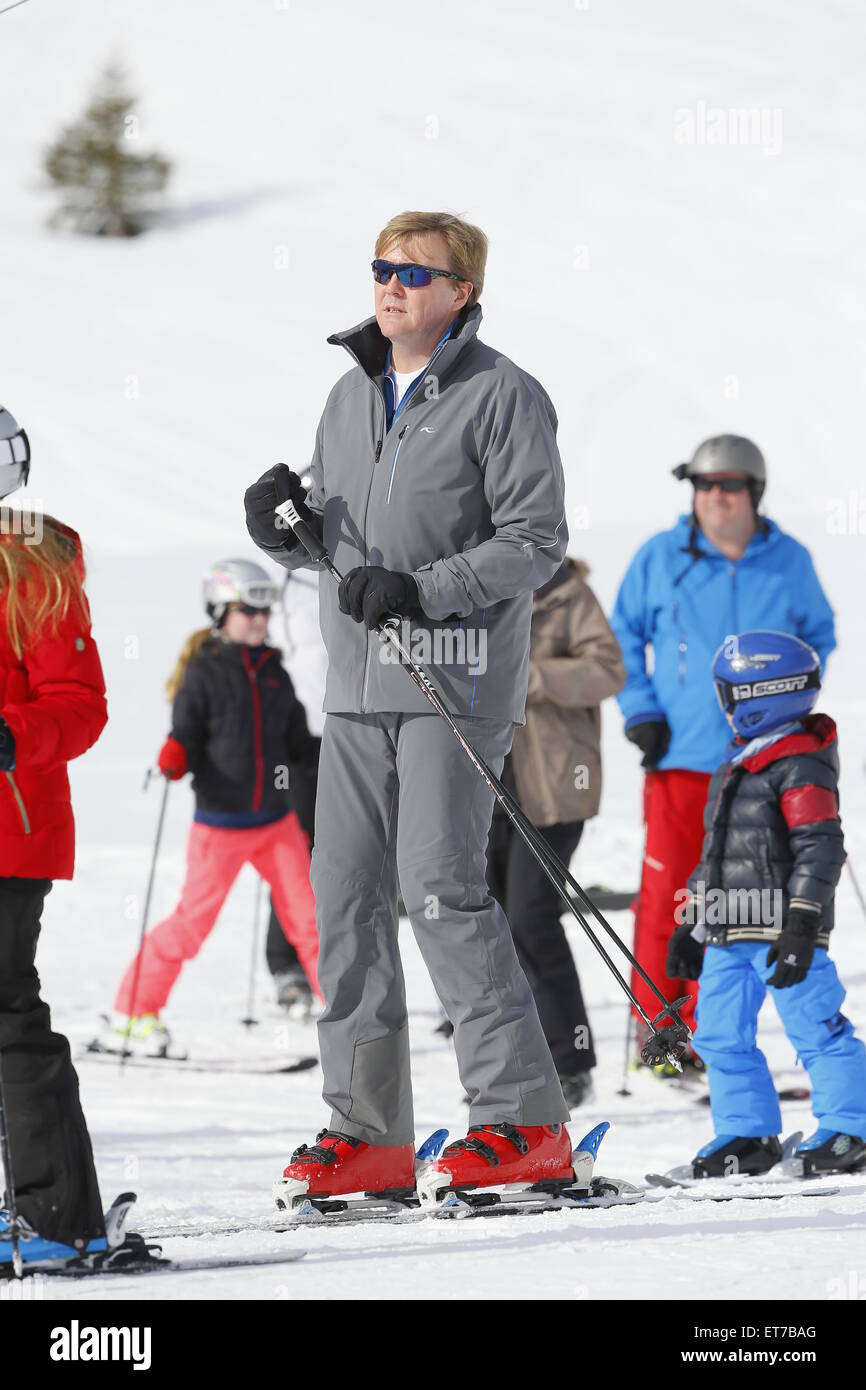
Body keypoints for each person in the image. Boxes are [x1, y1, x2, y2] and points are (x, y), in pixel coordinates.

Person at [245, 210, 577, 1202]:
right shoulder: (348, 397)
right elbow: (340, 544)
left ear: (460, 292)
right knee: (343, 903)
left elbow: (534, 539)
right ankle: (368, 1130)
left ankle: (520, 1120)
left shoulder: (503, 395)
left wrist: (423, 588)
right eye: (381, 268)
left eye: (413, 273)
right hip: (355, 688)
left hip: (452, 679)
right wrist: (283, 526)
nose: (390, 286)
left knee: (438, 892)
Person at [610, 436, 836, 1064]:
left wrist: (797, 705)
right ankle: (658, 1037)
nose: (716, 497)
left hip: (767, 764)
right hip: (681, 760)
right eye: (704, 485)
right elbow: (620, 637)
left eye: (730, 485)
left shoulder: (788, 559)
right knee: (669, 901)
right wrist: (643, 713)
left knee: (741, 903)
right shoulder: (661, 557)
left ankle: (716, 1039)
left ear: (753, 493)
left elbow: (819, 636)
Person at [97, 558, 321, 1056]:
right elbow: (187, 734)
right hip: (220, 824)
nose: (260, 620)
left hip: (276, 821)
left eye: (266, 610)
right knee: (191, 925)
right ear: (221, 612)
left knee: (311, 921)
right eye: (248, 610)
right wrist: (176, 755)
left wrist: (342, 753)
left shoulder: (275, 672)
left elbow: (299, 744)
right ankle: (133, 1012)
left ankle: (352, 1023)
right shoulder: (203, 673)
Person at [666, 630, 866, 1177]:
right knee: (718, 1032)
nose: (725, 708)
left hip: (783, 930)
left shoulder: (801, 762)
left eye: (731, 695)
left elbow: (820, 846)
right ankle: (748, 1134)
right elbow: (715, 858)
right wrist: (691, 923)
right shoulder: (740, 762)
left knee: (814, 1025)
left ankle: (853, 1127)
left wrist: (801, 923)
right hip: (731, 933)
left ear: (762, 695)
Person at [0, 405, 110, 1267]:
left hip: (11, 830)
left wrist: (13, 734)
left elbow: (79, 708)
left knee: (7, 1015)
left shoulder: (34, 563)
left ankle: (58, 1216)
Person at [486, 557, 625, 1110]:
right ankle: (511, 1054)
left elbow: (609, 669)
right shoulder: (469, 585)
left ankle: (570, 1061)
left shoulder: (567, 592)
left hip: (555, 790)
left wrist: (535, 675)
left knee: (531, 916)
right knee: (490, 921)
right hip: (487, 782)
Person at [265, 568, 326, 1015]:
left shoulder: (349, 559)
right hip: (301, 739)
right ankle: (287, 961)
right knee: (296, 848)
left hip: (358, 728)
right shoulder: (279, 576)